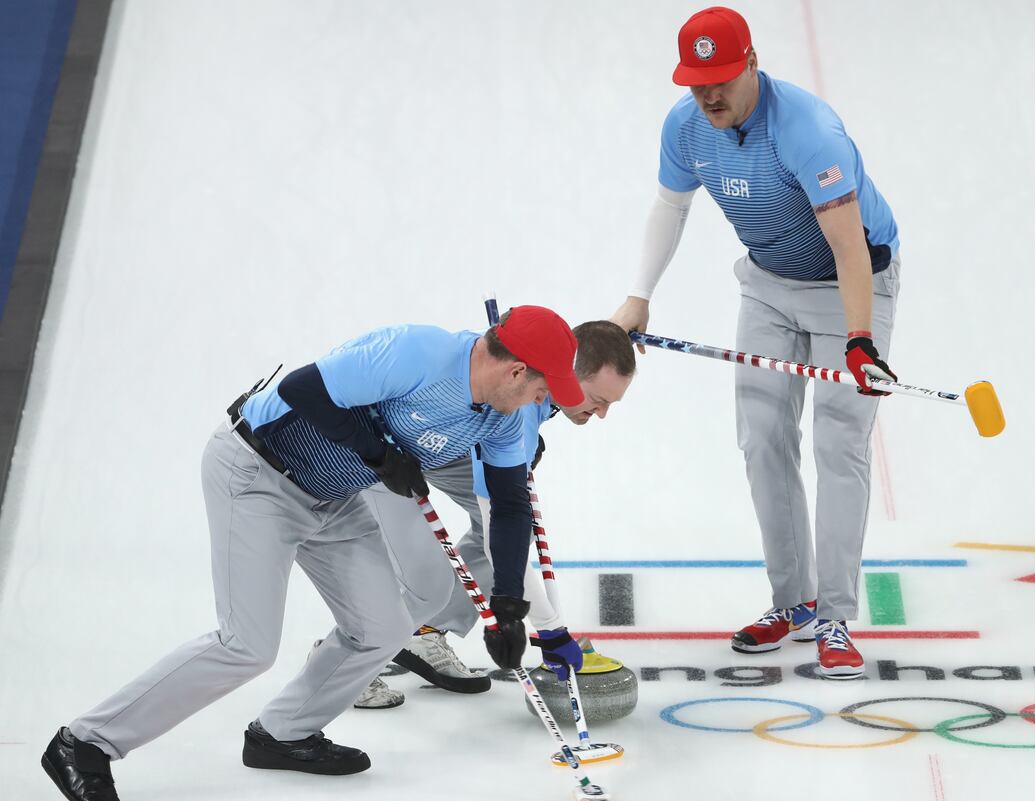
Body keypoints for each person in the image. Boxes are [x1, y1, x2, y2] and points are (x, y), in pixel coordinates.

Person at [41, 306, 582, 800]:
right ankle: (84, 743)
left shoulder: (506, 417)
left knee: (384, 625)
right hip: (257, 475)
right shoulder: (419, 352)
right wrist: (380, 454)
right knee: (245, 645)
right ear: (516, 372)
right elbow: (305, 388)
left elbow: (509, 507)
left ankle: (283, 734)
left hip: (334, 497)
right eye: (543, 391)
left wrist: (508, 606)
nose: (543, 404)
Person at [610, 6, 901, 680]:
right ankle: (792, 602)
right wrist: (639, 292)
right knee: (762, 436)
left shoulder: (808, 131)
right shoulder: (686, 128)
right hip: (767, 284)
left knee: (837, 440)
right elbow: (670, 207)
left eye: (720, 78)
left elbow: (850, 248)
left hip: (849, 283)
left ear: (750, 63)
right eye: (695, 82)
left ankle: (834, 616)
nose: (708, 95)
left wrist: (859, 338)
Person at [353, 320, 637, 704]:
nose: (601, 413)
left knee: (508, 539)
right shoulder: (518, 408)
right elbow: (497, 522)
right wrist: (550, 628)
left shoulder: (541, 397)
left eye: (610, 403)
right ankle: (351, 654)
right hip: (379, 449)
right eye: (597, 399)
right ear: (565, 375)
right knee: (433, 581)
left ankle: (425, 633)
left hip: (445, 445)